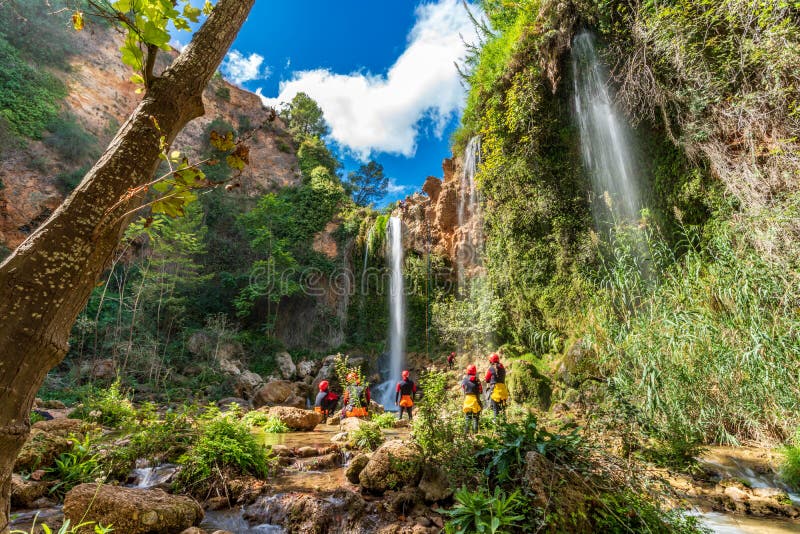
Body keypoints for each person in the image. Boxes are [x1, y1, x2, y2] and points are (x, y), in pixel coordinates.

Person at [485, 353, 509, 419]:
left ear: (491, 361)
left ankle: (496, 425)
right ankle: (504, 423)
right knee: (503, 409)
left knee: (495, 410)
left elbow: (487, 379)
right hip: (503, 391)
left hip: (495, 391)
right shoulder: (502, 368)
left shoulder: (491, 368)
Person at [461, 364, 483, 434]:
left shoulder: (464, 380)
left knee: (467, 418)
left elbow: (463, 388)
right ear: (474, 371)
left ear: (467, 371)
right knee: (475, 419)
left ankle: (466, 434)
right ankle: (475, 434)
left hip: (467, 400)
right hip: (475, 400)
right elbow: (481, 391)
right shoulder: (477, 380)